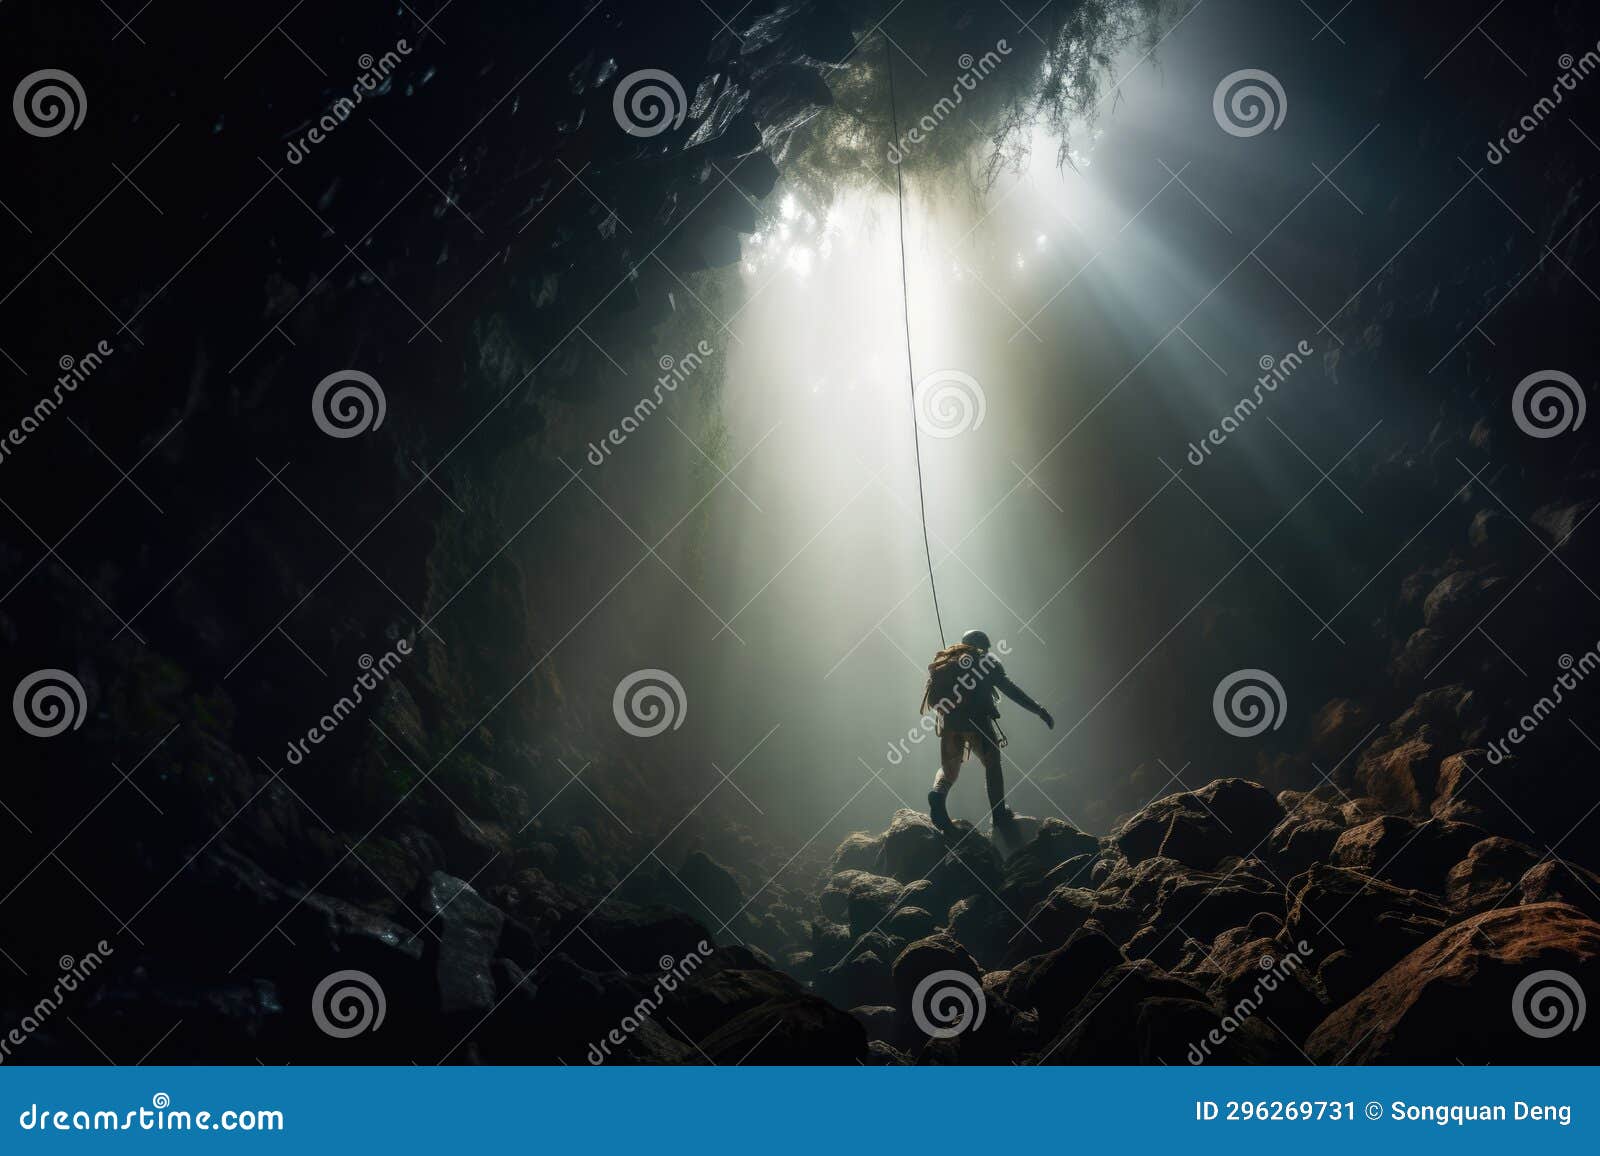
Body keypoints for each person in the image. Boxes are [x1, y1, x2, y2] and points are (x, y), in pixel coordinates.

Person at [923, 628, 1053, 832]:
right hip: (978, 725)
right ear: (983, 645)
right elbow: (1010, 690)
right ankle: (999, 814)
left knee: (949, 771)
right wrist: (1038, 710)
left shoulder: (948, 663)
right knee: (992, 765)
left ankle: (938, 794)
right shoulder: (987, 662)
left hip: (950, 726)